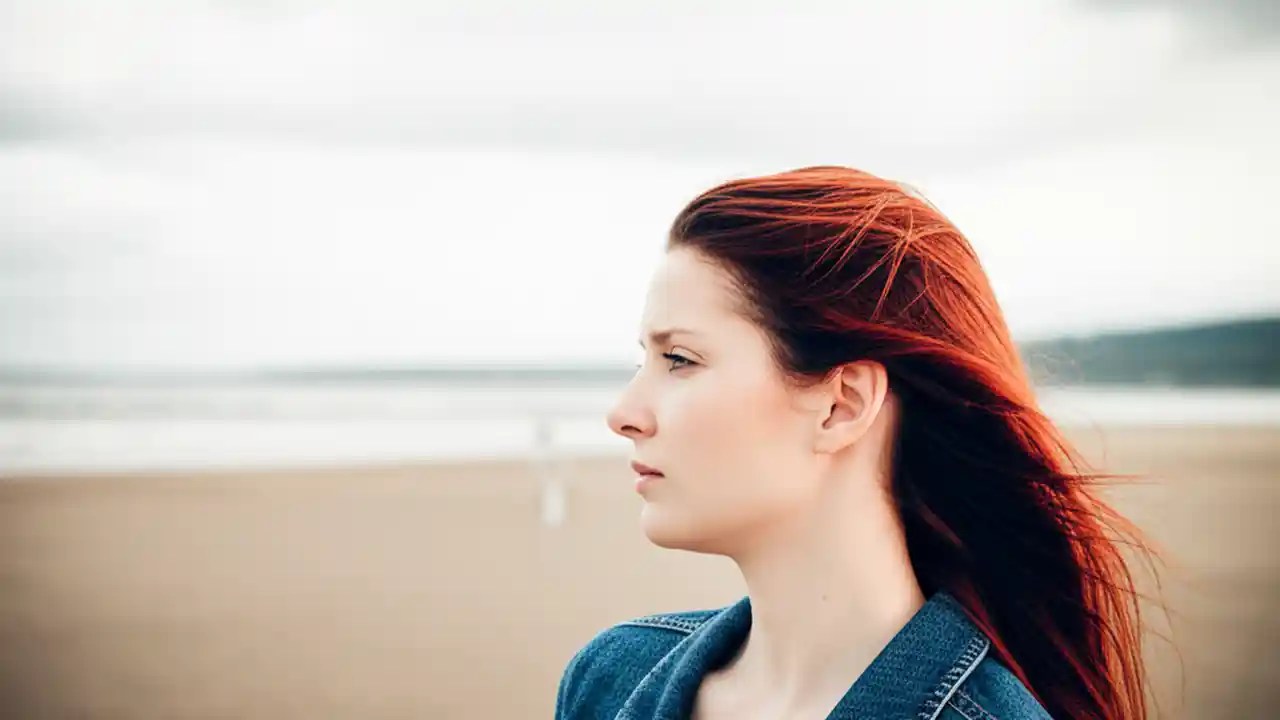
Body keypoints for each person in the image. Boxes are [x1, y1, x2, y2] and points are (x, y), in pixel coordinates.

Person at [554, 166, 1158, 720]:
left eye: (679, 359)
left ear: (842, 406)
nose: (623, 414)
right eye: (647, 360)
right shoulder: (610, 680)